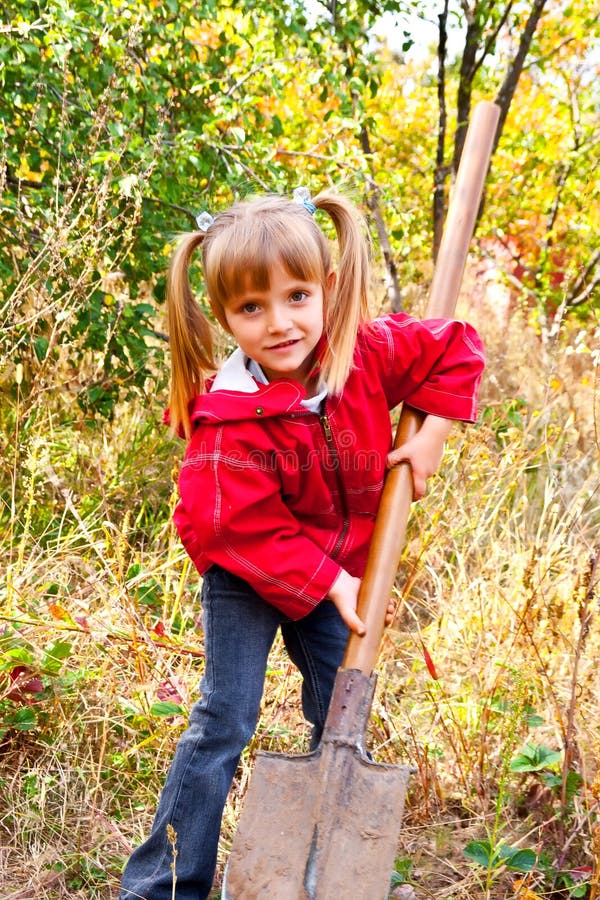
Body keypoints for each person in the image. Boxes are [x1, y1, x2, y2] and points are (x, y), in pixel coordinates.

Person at [119, 188, 485, 900]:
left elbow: (453, 346)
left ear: (329, 287)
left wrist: (431, 436)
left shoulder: (366, 352)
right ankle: (162, 886)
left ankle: (338, 872)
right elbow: (231, 525)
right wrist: (328, 581)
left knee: (341, 712)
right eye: (252, 308)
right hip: (249, 572)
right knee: (226, 715)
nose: (280, 323)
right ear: (223, 316)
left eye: (296, 296)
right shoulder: (228, 418)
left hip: (341, 569)